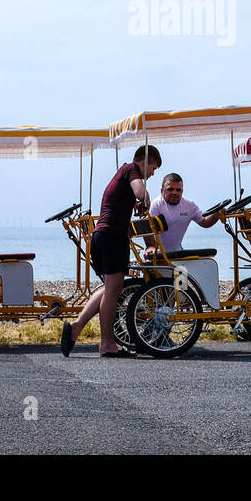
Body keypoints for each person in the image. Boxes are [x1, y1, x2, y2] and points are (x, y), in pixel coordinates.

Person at [61, 143, 161, 357]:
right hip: (113, 237)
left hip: (101, 236)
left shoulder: (122, 173)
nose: (152, 174)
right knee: (114, 291)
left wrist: (133, 204)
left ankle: (76, 327)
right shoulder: (132, 169)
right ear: (144, 162)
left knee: (110, 289)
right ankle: (107, 343)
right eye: (153, 168)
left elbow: (124, 198)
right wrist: (146, 199)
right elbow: (140, 191)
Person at [146, 173, 221, 256]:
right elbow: (146, 228)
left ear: (182, 191)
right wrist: (150, 246)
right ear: (162, 190)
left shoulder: (189, 205)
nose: (174, 192)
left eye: (178, 190)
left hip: (178, 254)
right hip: (157, 255)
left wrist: (217, 214)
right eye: (170, 189)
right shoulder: (156, 205)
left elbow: (204, 222)